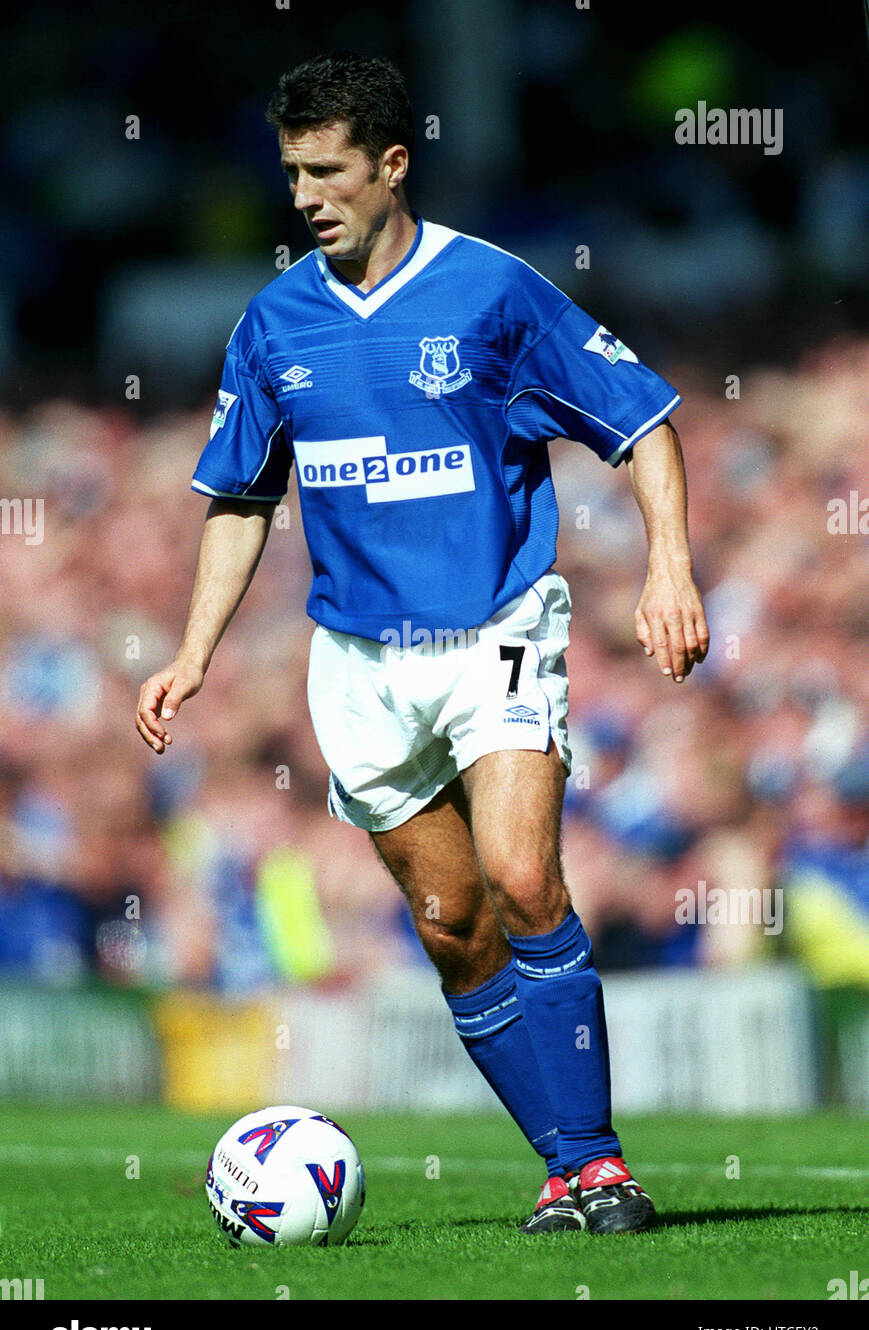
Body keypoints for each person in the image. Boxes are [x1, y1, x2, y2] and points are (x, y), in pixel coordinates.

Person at [136, 51, 709, 1235]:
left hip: (494, 626)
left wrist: (666, 566)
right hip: (356, 663)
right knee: (451, 923)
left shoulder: (491, 294)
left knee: (520, 877)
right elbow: (239, 499)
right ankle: (563, 1167)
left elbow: (643, 419)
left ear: (393, 163)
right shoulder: (274, 322)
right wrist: (191, 653)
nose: (305, 196)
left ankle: (598, 1166)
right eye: (293, 173)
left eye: (328, 171)